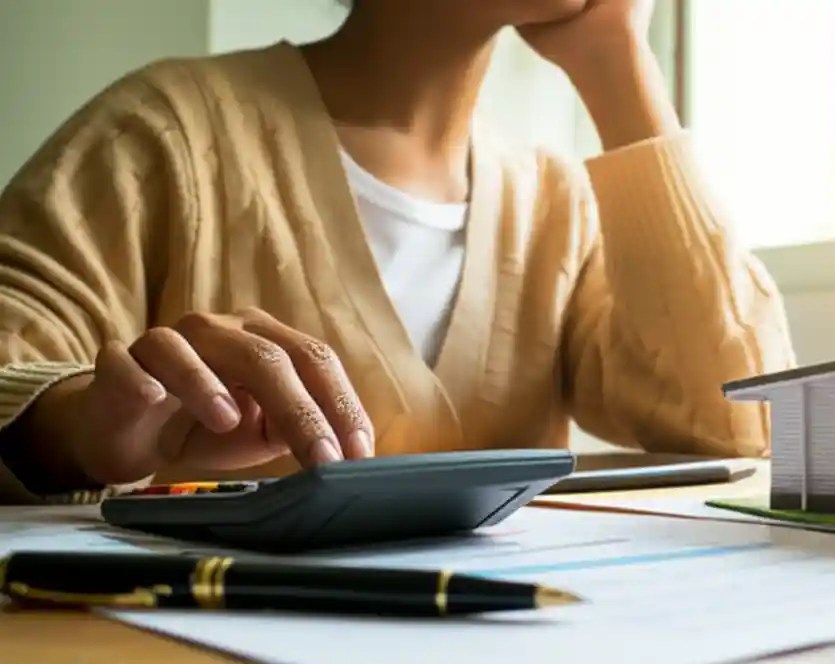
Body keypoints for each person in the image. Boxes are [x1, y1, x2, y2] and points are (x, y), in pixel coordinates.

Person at [0, 0, 794, 504]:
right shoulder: (162, 135)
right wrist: (86, 432)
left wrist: (619, 61)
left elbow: (736, 423)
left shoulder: (554, 200)